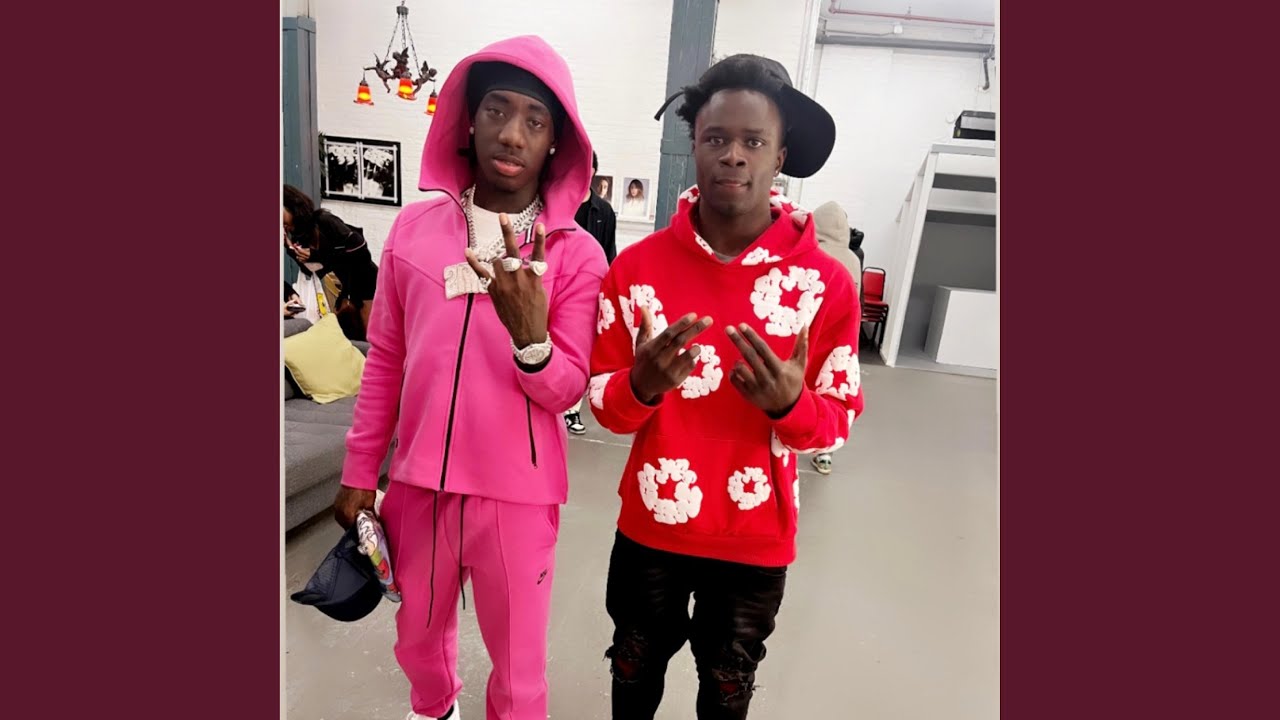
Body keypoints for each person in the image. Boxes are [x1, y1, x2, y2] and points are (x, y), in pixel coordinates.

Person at [332, 36, 607, 720]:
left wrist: (532, 339)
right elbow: (385, 360)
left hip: (518, 495)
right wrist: (360, 471)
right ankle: (436, 709)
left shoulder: (575, 256)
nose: (512, 133)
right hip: (417, 485)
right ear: (469, 120)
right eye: (497, 110)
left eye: (535, 120)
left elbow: (568, 390)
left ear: (556, 141)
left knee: (519, 671)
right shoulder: (414, 233)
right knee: (416, 643)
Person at [588, 54, 863, 719]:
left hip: (755, 535)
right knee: (633, 670)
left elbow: (837, 423)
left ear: (781, 156)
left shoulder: (826, 284)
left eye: (753, 141)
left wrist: (791, 405)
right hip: (652, 523)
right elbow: (604, 407)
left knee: (727, 687)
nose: (733, 155)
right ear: (694, 146)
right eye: (716, 137)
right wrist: (641, 386)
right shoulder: (636, 270)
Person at [565, 152, 618, 435]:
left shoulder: (604, 211)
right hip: (560, 286)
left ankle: (572, 410)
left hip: (590, 291)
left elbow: (610, 252)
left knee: (581, 349)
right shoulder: (561, 205)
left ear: (594, 171)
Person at [283, 184, 380, 340]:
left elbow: (361, 250)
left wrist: (318, 255)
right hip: (346, 286)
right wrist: (288, 247)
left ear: (291, 207)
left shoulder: (323, 220)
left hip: (366, 282)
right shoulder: (299, 235)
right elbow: (314, 270)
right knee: (345, 335)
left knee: (369, 337)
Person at [810, 200, 861, 475]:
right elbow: (857, 299)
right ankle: (825, 453)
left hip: (809, 333)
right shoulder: (853, 259)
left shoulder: (813, 254)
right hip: (842, 334)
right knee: (834, 391)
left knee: (803, 383)